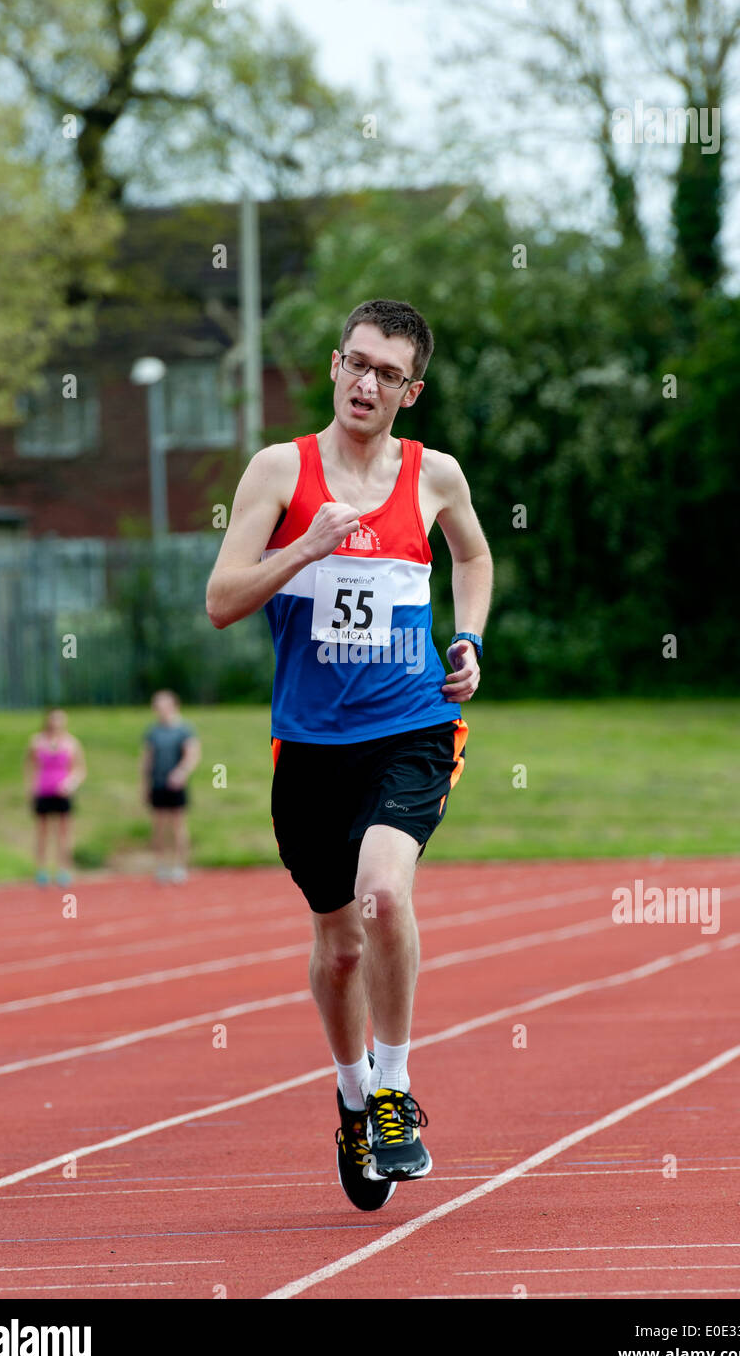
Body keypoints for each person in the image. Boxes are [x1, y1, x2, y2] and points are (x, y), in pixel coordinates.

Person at [206, 299, 492, 1211]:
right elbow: (220, 600)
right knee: (335, 949)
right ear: (334, 366)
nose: (367, 384)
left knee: (383, 893)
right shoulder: (277, 471)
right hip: (310, 746)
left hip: (409, 727)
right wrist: (306, 547)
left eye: (387, 374)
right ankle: (352, 1096)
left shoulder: (434, 474)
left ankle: (397, 1089)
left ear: (413, 391)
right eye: (356, 365)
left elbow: (473, 560)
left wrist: (471, 641)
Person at [142, 690, 201, 883]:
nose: (160, 710)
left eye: (163, 705)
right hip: (157, 784)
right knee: (158, 827)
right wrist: (144, 784)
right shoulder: (153, 731)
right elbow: (147, 759)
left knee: (178, 826)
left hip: (176, 785)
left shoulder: (184, 729)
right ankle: (161, 865)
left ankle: (179, 866)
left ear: (174, 706)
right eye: (157, 706)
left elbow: (192, 754)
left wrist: (181, 772)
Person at [25, 708, 86, 886]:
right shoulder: (37, 741)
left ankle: (64, 869)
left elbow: (80, 769)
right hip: (43, 791)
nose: (56, 723)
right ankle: (41, 869)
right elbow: (29, 766)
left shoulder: (71, 743)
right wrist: (30, 788)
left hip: (63, 793)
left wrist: (70, 784)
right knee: (42, 832)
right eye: (54, 719)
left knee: (64, 833)